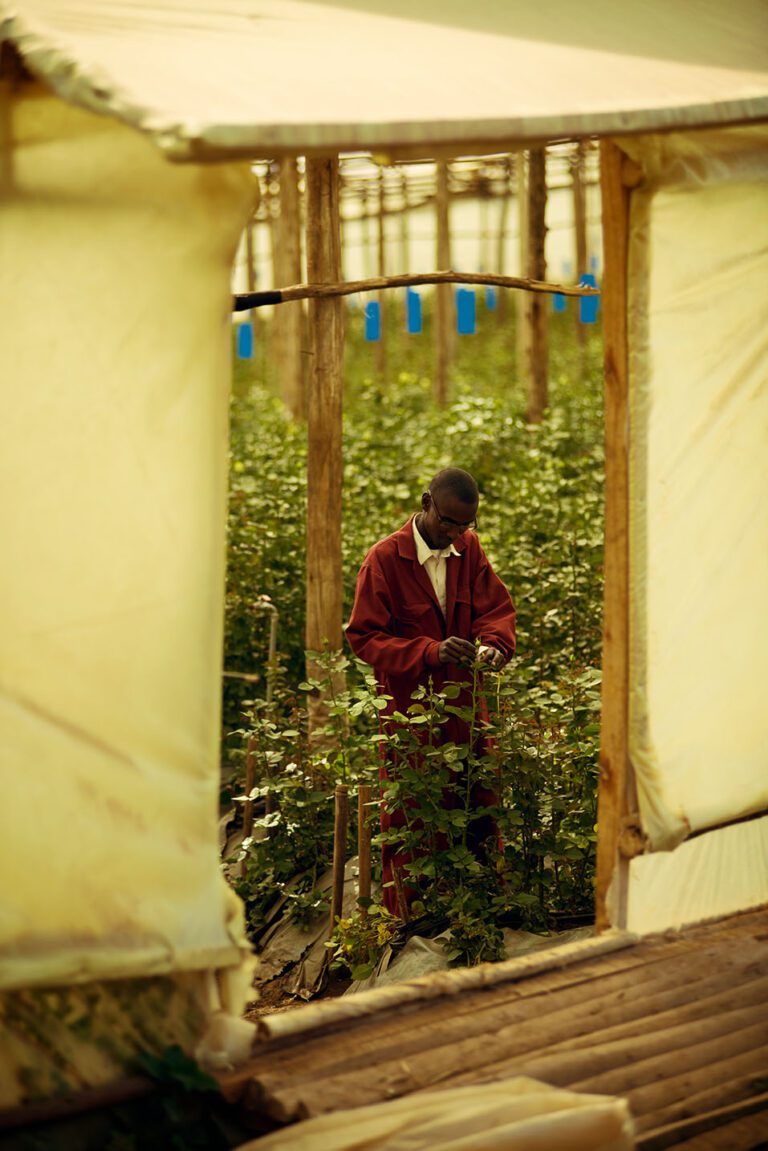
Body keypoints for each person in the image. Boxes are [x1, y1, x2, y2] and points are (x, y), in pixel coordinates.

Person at [346, 468, 516, 917]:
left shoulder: (468, 550)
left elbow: (495, 609)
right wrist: (430, 652)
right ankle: (407, 920)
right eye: (448, 523)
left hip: (465, 706)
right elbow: (365, 637)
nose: (456, 533)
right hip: (409, 716)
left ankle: (482, 910)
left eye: (466, 525)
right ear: (426, 503)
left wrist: (495, 646)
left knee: (478, 801)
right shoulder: (384, 559)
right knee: (412, 815)